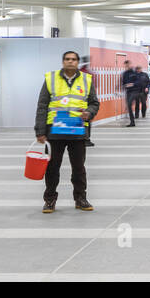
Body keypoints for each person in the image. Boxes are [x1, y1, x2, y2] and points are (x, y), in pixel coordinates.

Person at [34, 50, 99, 212]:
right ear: (63, 61)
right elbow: (42, 106)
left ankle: (80, 199)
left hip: (77, 131)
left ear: (77, 62)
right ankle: (49, 200)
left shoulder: (86, 79)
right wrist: (40, 131)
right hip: (55, 131)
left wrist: (89, 113)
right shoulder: (51, 79)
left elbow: (94, 103)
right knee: (52, 168)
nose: (70, 62)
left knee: (78, 168)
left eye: (74, 59)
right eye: (67, 59)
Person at [120, 61, 139, 127]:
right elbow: (123, 83)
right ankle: (132, 122)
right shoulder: (124, 73)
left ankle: (133, 120)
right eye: (125, 65)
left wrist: (133, 84)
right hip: (128, 91)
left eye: (127, 65)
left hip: (134, 91)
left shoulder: (134, 72)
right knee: (129, 106)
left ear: (130, 65)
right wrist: (125, 85)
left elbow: (138, 81)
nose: (126, 66)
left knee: (129, 103)